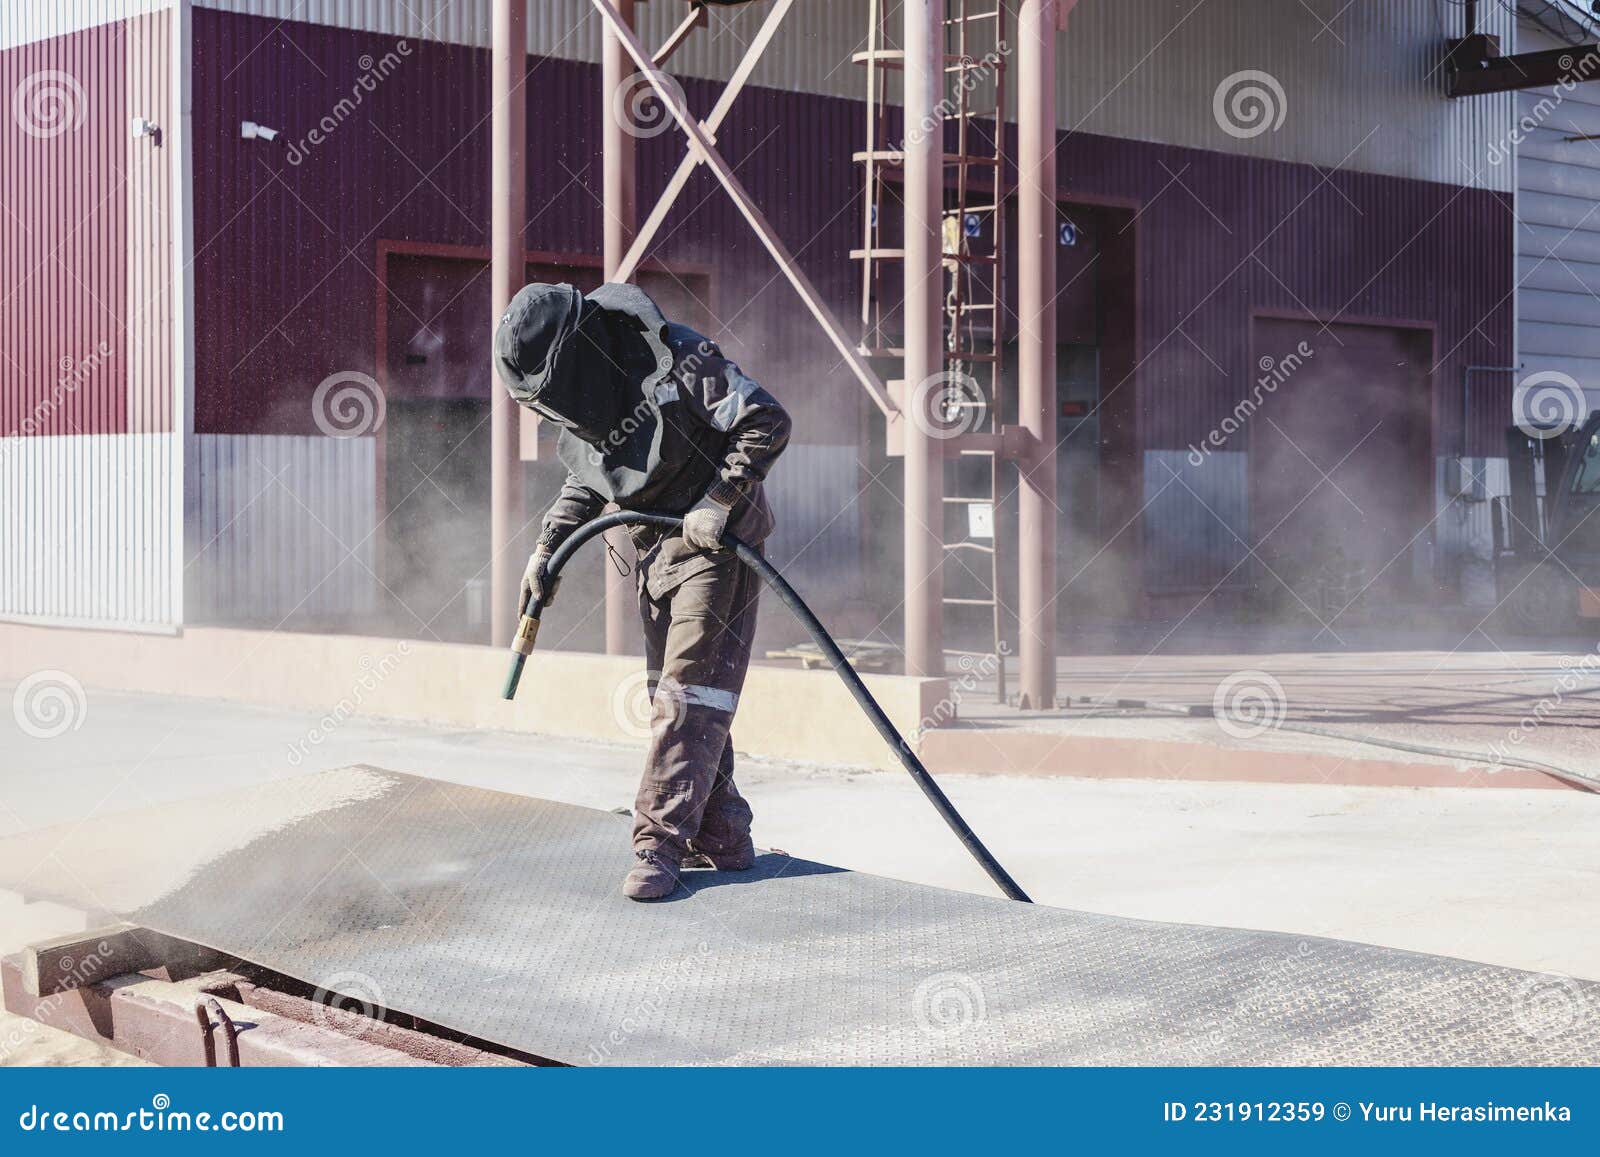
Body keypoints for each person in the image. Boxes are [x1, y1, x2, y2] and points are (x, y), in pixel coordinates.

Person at [493, 282, 791, 901]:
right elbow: (591, 477)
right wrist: (547, 548)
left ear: (581, 354)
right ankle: (724, 830)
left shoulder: (679, 359)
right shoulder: (589, 402)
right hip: (657, 552)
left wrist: (719, 500)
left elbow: (765, 419)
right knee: (674, 696)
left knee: (688, 695)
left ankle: (657, 843)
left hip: (717, 547)